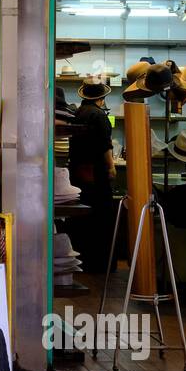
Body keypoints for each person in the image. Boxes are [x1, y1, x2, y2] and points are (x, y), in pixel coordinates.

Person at [68, 81, 115, 273]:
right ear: (101, 100)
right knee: (101, 217)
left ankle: (81, 260)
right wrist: (111, 167)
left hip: (77, 172)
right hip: (96, 173)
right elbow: (105, 145)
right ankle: (100, 263)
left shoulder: (77, 113)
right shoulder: (99, 116)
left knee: (81, 216)